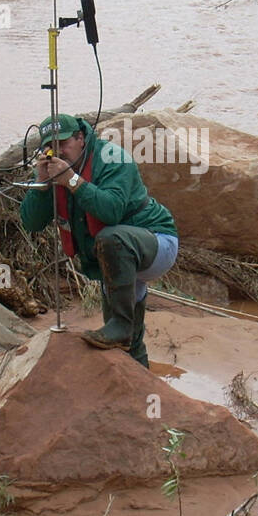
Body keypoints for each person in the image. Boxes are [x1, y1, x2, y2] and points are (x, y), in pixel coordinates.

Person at [20, 113, 178, 367]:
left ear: (81, 138)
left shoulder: (112, 158)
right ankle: (141, 387)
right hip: (116, 257)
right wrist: (42, 183)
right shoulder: (54, 172)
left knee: (111, 239)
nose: (58, 152)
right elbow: (31, 223)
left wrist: (72, 179)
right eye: (51, 147)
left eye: (64, 144)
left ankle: (121, 326)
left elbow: (111, 211)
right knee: (124, 340)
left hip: (157, 242)